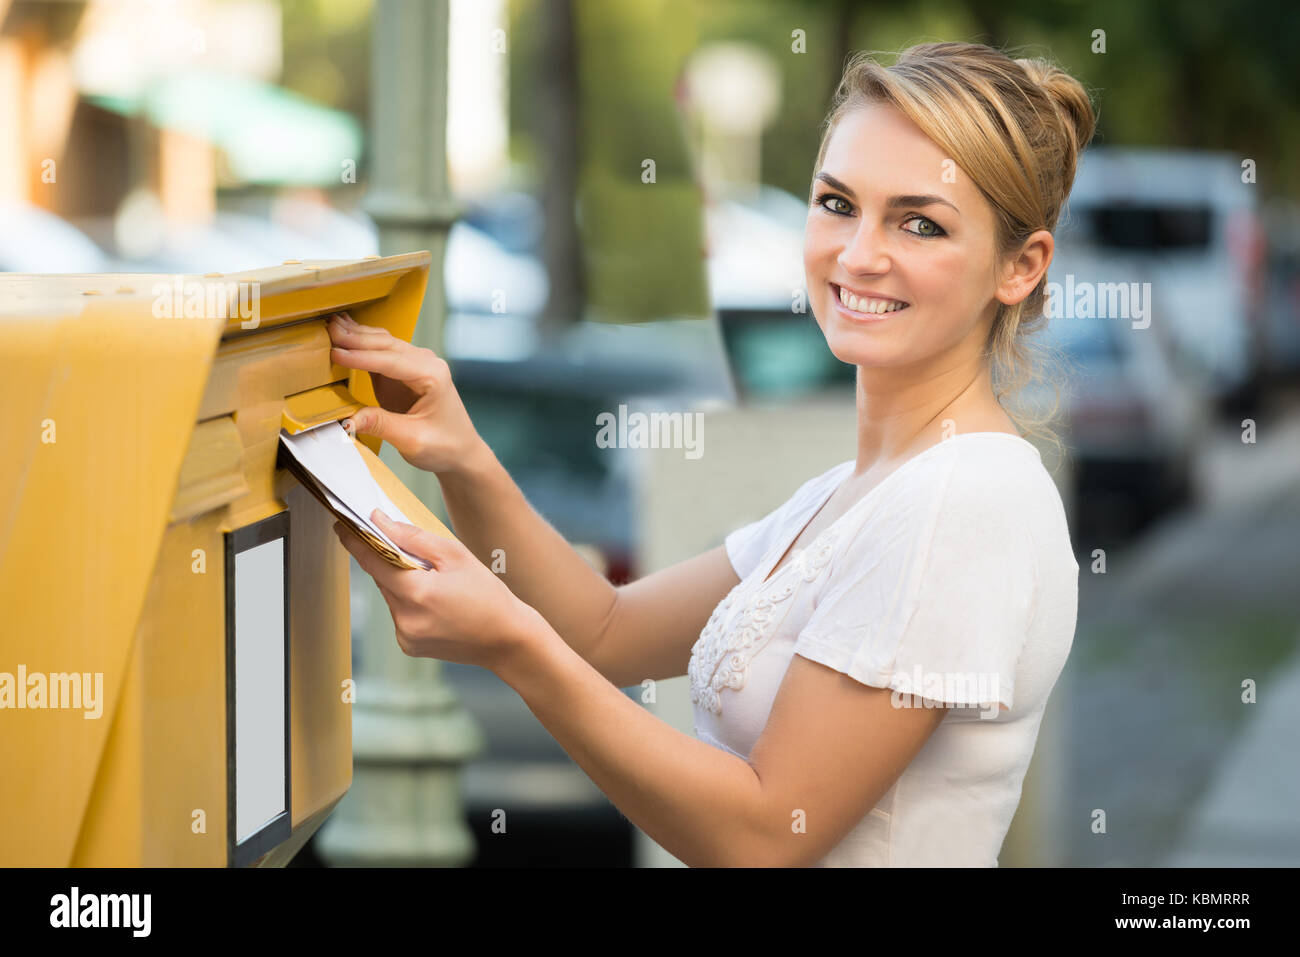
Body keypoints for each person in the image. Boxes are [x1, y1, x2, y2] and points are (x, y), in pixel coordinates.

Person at [327, 39, 1095, 867]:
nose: (860, 253)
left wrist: (511, 644)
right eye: (838, 203)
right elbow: (606, 629)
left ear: (1021, 266)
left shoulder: (961, 501)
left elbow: (765, 835)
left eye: (920, 223)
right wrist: (464, 457)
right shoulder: (857, 489)